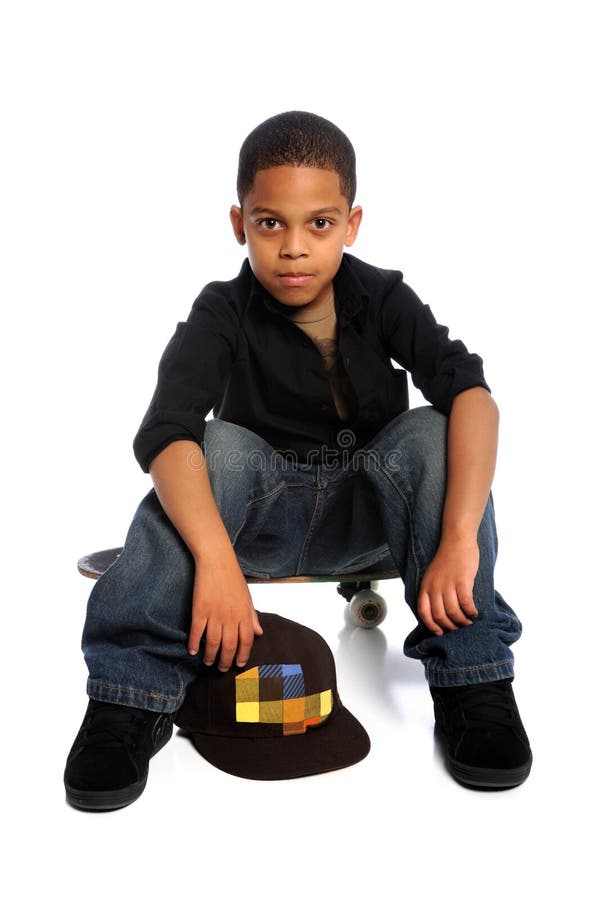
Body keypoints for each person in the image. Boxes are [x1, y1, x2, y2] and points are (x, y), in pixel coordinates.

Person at [64, 111, 532, 811]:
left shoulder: (383, 296)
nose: (292, 249)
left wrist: (460, 535)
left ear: (352, 223)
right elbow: (165, 431)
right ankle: (128, 697)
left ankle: (475, 680)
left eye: (318, 224)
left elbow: (474, 396)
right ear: (238, 223)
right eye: (268, 224)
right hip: (256, 527)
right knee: (210, 446)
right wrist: (216, 562)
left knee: (433, 428)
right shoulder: (222, 310)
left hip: (374, 517)